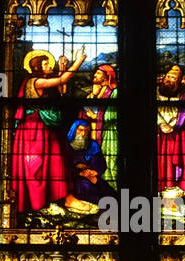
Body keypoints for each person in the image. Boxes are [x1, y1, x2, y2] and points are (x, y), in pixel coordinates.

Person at [11, 47, 86, 213]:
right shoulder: (36, 82)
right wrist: (79, 60)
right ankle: (41, 200)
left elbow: (61, 88)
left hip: (44, 128)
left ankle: (62, 197)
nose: (48, 66)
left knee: (54, 161)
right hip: (34, 131)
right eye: (45, 64)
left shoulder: (43, 81)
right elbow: (62, 80)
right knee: (37, 164)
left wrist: (61, 68)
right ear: (37, 68)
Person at [157, 64, 185, 195]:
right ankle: (163, 186)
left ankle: (180, 186)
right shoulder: (155, 92)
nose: (169, 79)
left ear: (179, 81)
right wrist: (161, 123)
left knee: (181, 157)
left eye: (173, 77)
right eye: (168, 76)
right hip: (160, 132)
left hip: (180, 133)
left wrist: (176, 124)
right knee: (162, 159)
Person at [81, 64, 118, 188]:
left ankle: (113, 191)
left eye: (98, 73)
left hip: (110, 134)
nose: (95, 75)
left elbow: (112, 116)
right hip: (96, 131)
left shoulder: (114, 92)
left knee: (110, 162)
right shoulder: (97, 92)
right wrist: (93, 95)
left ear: (106, 77)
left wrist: (95, 118)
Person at [66, 118, 110, 208]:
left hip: (92, 177)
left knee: (107, 191)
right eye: (80, 130)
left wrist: (94, 172)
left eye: (86, 131)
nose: (83, 134)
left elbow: (101, 164)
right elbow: (63, 166)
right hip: (73, 179)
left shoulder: (93, 145)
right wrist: (79, 172)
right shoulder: (66, 144)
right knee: (84, 186)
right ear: (74, 130)